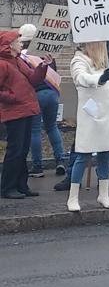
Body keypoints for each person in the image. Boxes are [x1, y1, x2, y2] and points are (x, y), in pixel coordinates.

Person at [54, 40, 109, 191]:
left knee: (106, 147)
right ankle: (72, 178)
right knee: (82, 146)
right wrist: (100, 78)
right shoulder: (82, 57)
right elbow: (82, 76)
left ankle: (103, 179)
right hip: (92, 107)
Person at [67, 41, 109, 212]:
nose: (104, 49)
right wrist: (98, 79)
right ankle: (73, 197)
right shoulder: (79, 60)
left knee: (105, 154)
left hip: (108, 115)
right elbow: (81, 78)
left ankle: (103, 194)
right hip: (91, 116)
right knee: (82, 155)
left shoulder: (102, 62)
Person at [0, 30, 48, 199]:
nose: (21, 44)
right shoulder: (3, 64)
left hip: (26, 109)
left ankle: (21, 185)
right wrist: (12, 97)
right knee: (15, 150)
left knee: (22, 149)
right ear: (9, 45)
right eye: (18, 41)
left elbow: (34, 79)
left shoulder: (18, 61)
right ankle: (7, 187)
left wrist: (43, 66)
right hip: (14, 112)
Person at [18, 23, 66, 178]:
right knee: (52, 127)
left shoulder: (22, 56)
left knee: (35, 130)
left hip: (35, 95)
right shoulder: (46, 54)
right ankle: (60, 161)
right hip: (52, 93)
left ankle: (38, 167)